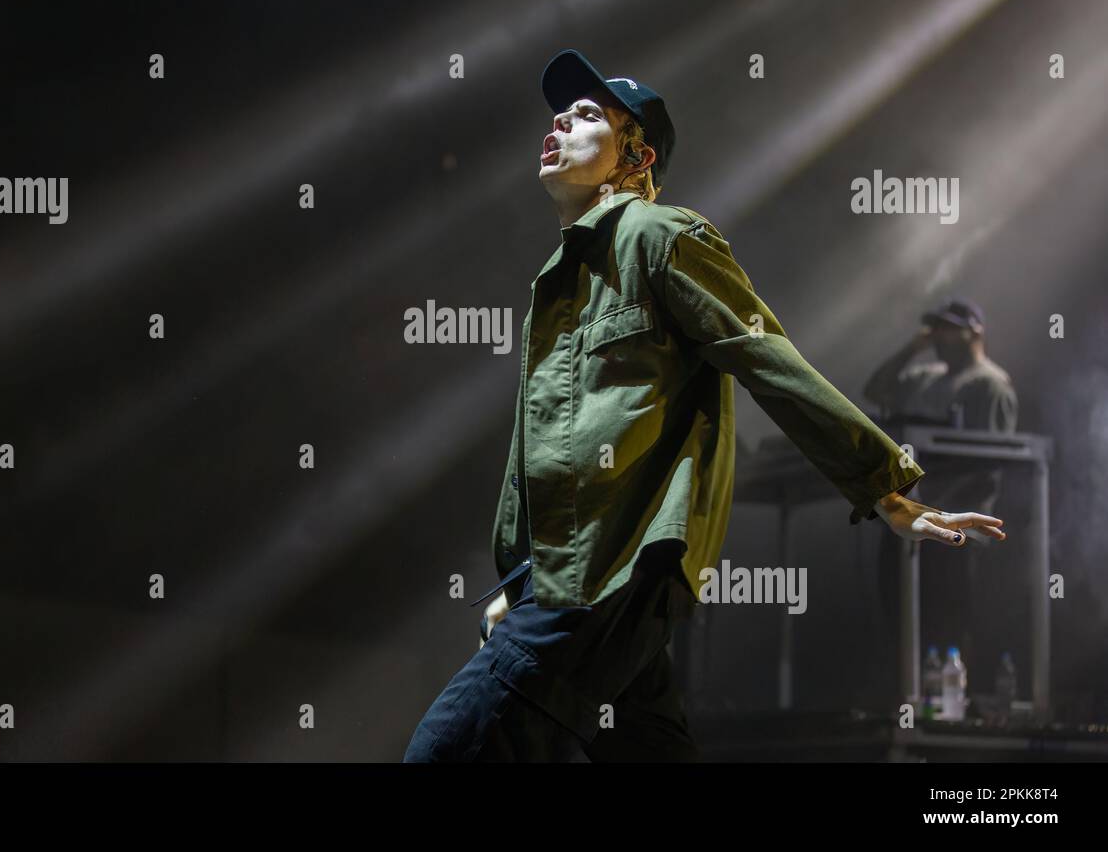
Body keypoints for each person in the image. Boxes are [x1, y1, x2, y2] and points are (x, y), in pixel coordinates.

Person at [402, 48, 1004, 762]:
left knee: (443, 752)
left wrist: (886, 487)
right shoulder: (558, 280)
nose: (562, 119)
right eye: (561, 112)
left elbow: (767, 358)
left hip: (613, 572)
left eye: (590, 114)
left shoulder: (661, 238)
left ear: (637, 157)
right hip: (577, 574)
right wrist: (524, 577)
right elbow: (549, 450)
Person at [864, 300, 1018, 691]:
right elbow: (874, 389)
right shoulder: (925, 376)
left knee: (948, 623)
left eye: (949, 328)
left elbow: (989, 465)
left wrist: (940, 512)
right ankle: (904, 700)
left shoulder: (990, 384)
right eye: (936, 328)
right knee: (900, 619)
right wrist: (913, 348)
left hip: (955, 532)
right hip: (908, 523)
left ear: (975, 331)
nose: (940, 337)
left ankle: (950, 709)